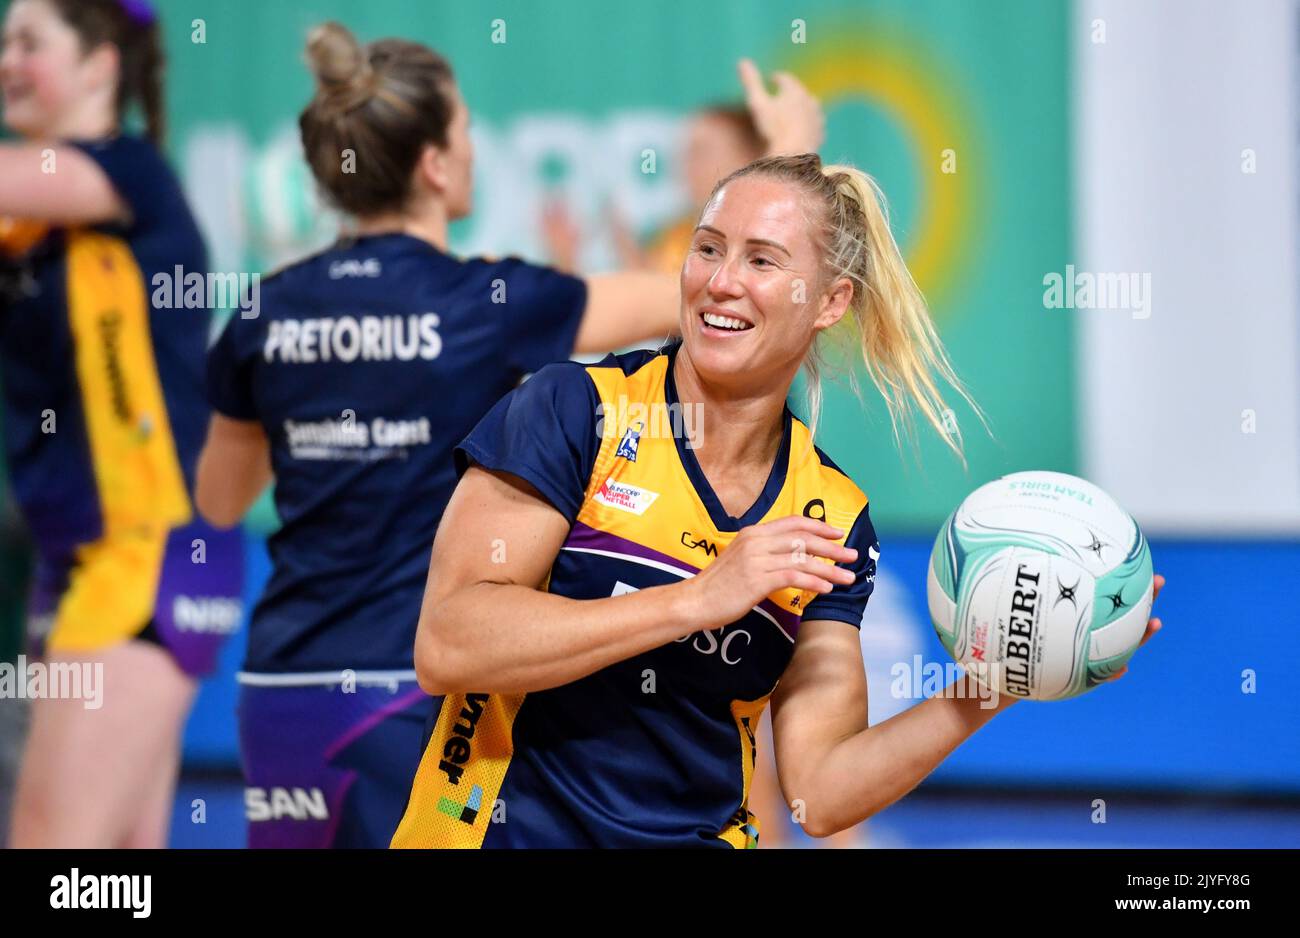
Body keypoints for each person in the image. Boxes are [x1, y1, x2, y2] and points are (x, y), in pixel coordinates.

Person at [390, 153, 1166, 848]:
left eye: (762, 260)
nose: (720, 281)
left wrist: (990, 687)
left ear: (829, 302)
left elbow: (821, 793)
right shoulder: (573, 411)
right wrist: (697, 598)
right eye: (708, 248)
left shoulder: (829, 513)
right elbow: (450, 644)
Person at [195, 21, 824, 849]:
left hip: (282, 683)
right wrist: (786, 160)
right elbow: (708, 299)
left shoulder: (265, 311)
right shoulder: (487, 303)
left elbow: (219, 497)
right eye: (463, 133)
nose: (474, 152)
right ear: (434, 164)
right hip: (416, 693)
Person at [0, 0, 243, 848]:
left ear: (101, 65)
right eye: (3, 42)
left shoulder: (128, 173)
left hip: (151, 554)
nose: (6, 60)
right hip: (69, 568)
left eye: (30, 42)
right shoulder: (26, 234)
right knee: (115, 874)